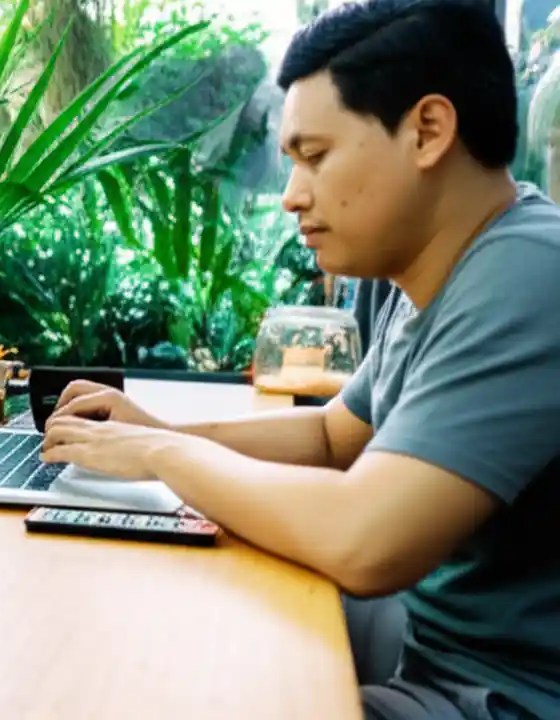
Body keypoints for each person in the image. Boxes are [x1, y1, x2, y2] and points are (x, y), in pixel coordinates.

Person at [41, 2, 560, 718]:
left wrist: (161, 455)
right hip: (431, 667)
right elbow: (333, 438)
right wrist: (152, 430)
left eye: (314, 156)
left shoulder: (530, 275)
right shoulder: (426, 280)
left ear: (428, 130)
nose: (291, 197)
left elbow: (364, 539)